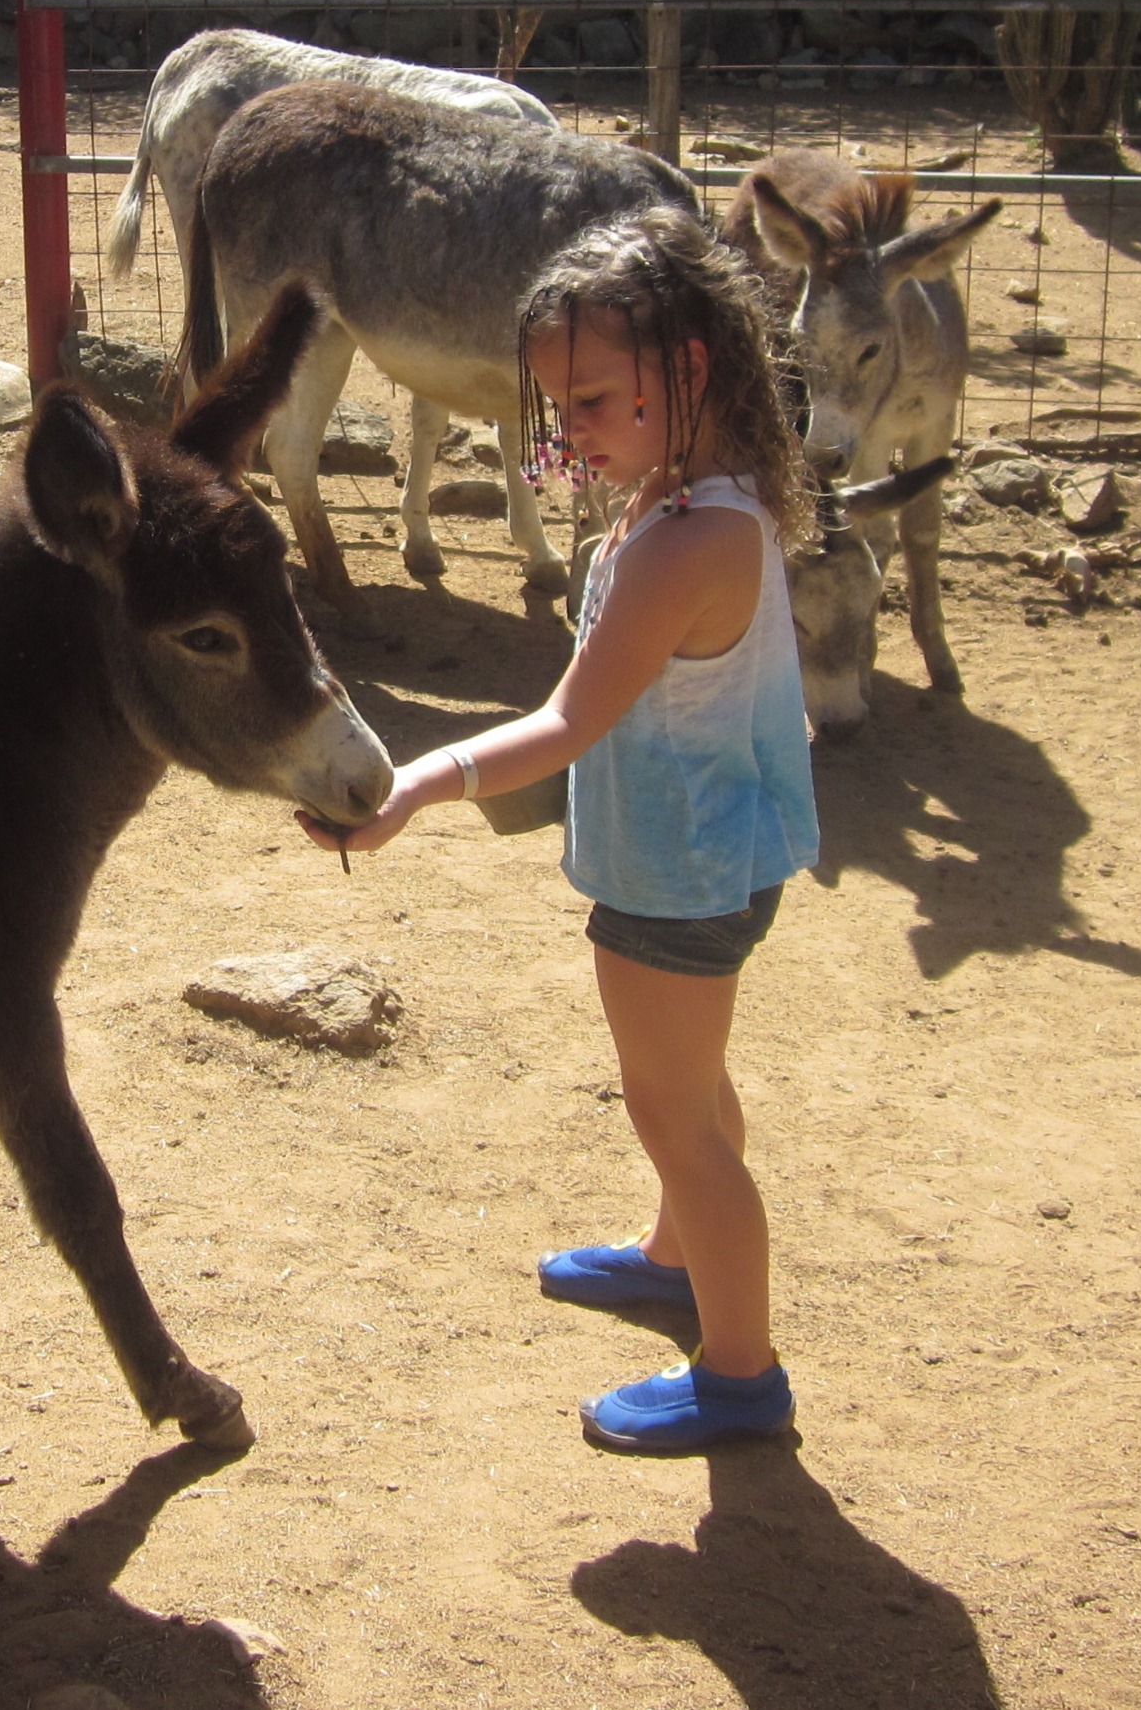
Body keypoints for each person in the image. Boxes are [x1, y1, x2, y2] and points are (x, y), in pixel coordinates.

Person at [302, 205, 818, 1455]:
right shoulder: (697, 498)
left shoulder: (682, 543)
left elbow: (568, 721)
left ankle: (740, 1374)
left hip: (677, 877)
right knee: (693, 1092)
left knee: (677, 1121)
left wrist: (417, 784)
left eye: (588, 401)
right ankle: (672, 1256)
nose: (566, 431)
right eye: (555, 405)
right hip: (716, 854)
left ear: (685, 369)